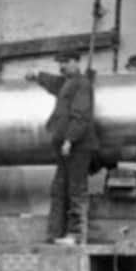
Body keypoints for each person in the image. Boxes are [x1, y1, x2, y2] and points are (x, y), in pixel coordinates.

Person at [26, 49, 100, 244]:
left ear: (76, 61)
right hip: (66, 147)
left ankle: (76, 235)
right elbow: (53, 83)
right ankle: (55, 233)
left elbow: (81, 116)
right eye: (60, 63)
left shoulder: (82, 85)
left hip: (78, 146)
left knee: (76, 190)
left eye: (65, 62)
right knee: (59, 189)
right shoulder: (67, 83)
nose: (62, 66)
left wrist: (70, 139)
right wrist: (37, 75)